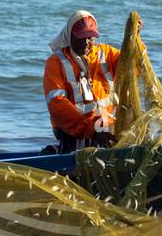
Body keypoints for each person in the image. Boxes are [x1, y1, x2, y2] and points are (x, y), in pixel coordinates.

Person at [44, 11, 120, 153]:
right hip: (75, 135)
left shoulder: (106, 54)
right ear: (69, 36)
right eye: (81, 38)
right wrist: (90, 130)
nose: (86, 43)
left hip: (109, 132)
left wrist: (133, 37)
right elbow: (57, 104)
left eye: (90, 37)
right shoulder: (56, 62)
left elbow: (133, 65)